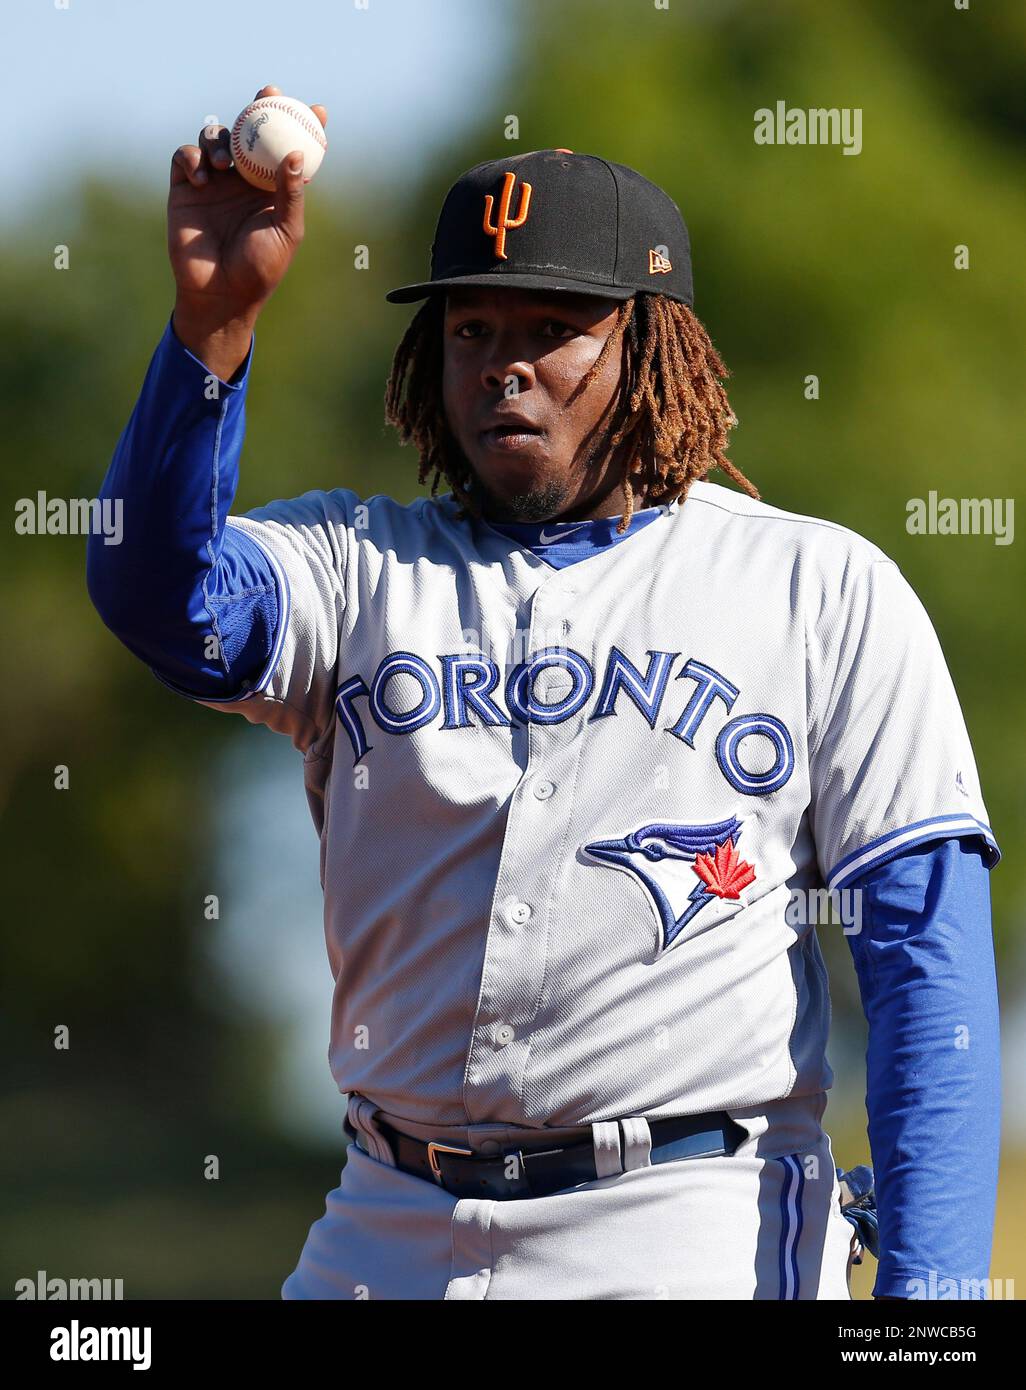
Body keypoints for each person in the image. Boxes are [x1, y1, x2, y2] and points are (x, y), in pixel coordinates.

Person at [86, 85, 1001, 1300]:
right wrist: (212, 328)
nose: (504, 364)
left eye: (553, 324)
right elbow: (161, 598)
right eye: (472, 329)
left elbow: (924, 954)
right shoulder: (358, 568)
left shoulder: (816, 588)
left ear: (654, 343)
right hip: (387, 1218)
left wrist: (927, 1308)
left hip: (689, 1224)